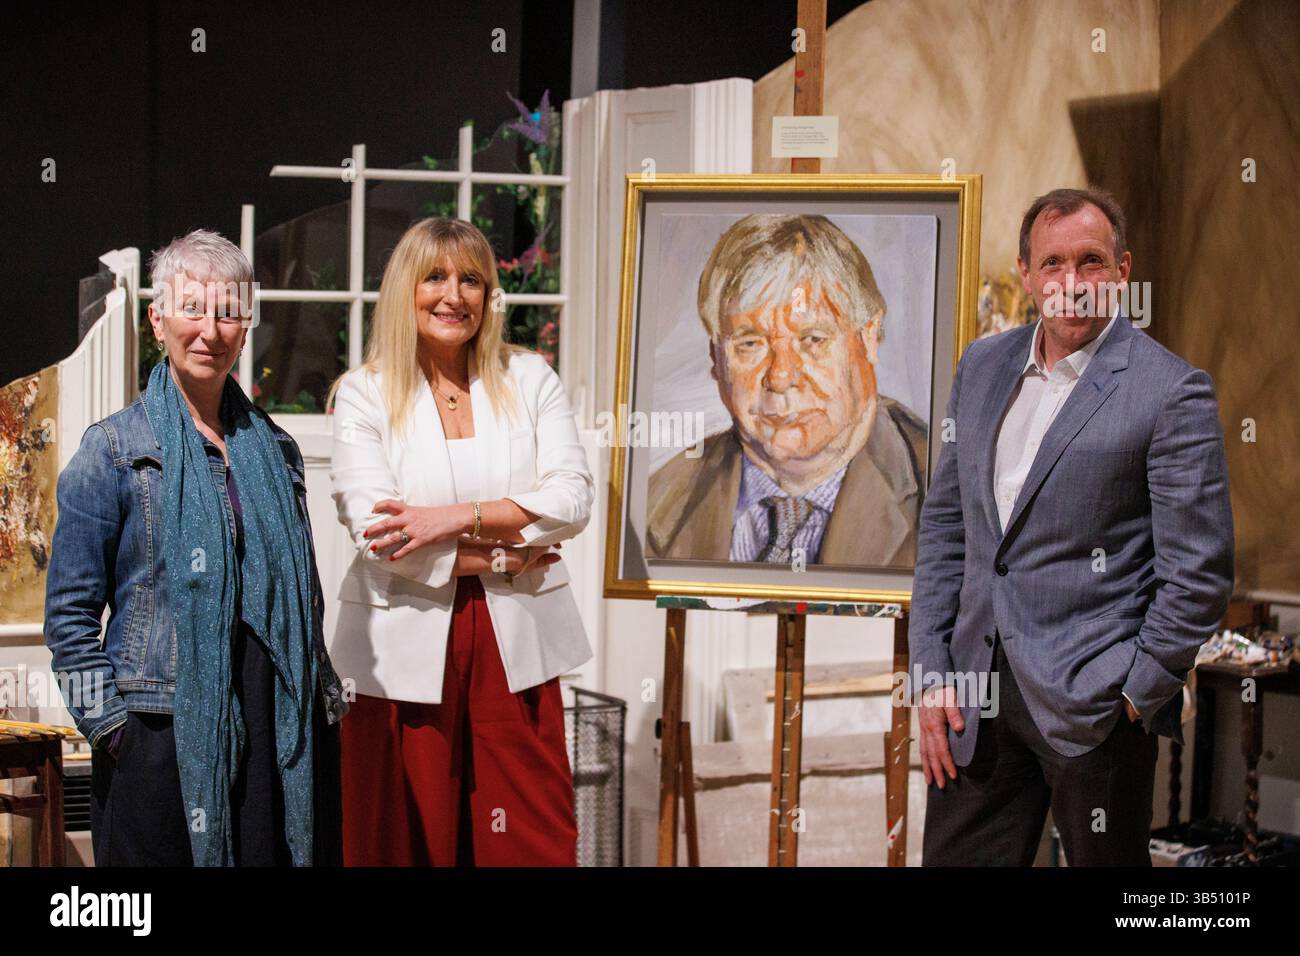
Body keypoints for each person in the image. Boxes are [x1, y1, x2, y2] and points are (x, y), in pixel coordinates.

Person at [910, 186, 1234, 865]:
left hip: (1094, 711)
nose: (1072, 285)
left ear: (1122, 271)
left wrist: (1134, 696)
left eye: (1090, 262)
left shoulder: (1170, 391)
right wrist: (932, 674)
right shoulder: (981, 367)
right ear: (1026, 274)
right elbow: (947, 529)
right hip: (974, 695)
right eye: (1053, 264)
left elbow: (1199, 575)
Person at [44, 229, 347, 866]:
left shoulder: (277, 449)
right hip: (160, 734)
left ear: (246, 324)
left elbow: (306, 601)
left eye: (229, 310)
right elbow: (69, 620)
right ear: (159, 320)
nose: (210, 329)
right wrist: (114, 730)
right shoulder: (113, 451)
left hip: (274, 726)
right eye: (193, 308)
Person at [327, 217, 593, 866]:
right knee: (406, 842)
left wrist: (450, 519)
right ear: (404, 290)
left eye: (472, 279)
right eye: (436, 277)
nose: (454, 295)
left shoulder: (530, 379)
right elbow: (380, 533)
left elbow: (573, 498)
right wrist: (509, 550)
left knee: (529, 841)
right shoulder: (363, 395)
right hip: (399, 652)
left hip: (518, 641)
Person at [646, 214, 927, 568]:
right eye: (750, 343)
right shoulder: (659, 504)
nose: (780, 377)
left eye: (812, 339)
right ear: (716, 359)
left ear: (868, 337)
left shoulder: (940, 487)